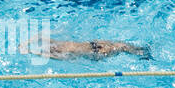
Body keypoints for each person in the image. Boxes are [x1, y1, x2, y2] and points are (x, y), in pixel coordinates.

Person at [22, 36, 152, 61]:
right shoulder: (61, 50)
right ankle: (142, 52)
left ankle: (142, 53)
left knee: (122, 47)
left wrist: (26, 45)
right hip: (95, 47)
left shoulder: (60, 50)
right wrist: (27, 47)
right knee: (122, 46)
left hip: (96, 50)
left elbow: (41, 36)